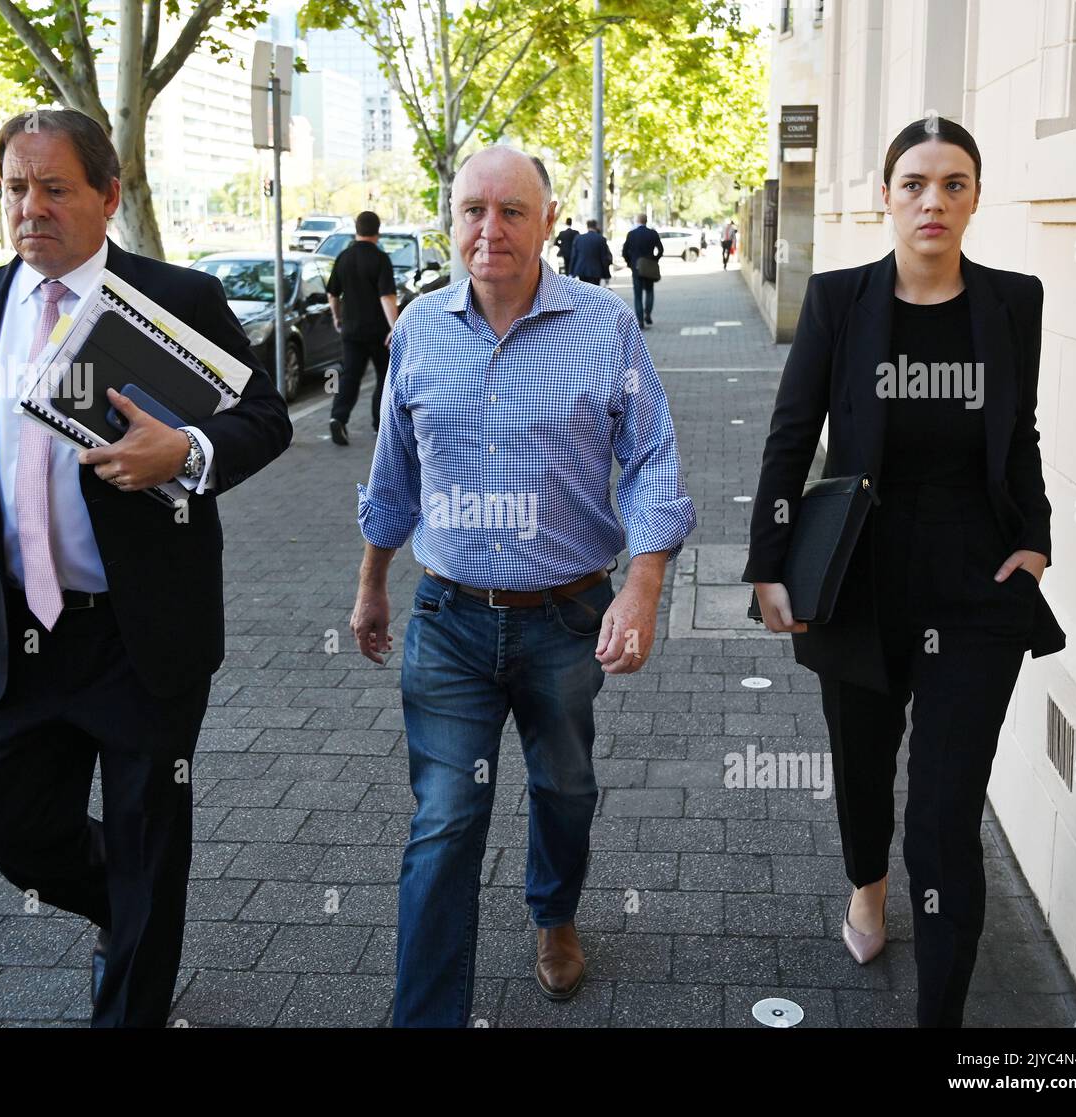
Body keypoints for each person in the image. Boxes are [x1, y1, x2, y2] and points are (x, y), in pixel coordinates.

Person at [0, 109, 292, 1027]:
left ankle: (134, 968)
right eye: (16, 187)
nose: (32, 207)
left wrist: (183, 452)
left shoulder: (177, 297)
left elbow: (265, 419)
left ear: (108, 196)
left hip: (141, 637)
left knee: (148, 842)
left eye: (56, 187)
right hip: (12, 635)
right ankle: (123, 911)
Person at [349, 145, 695, 1028]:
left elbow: (651, 454)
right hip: (450, 619)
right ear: (450, 219)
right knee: (444, 822)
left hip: (568, 616)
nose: (489, 229)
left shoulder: (603, 325)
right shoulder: (419, 328)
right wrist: (373, 584)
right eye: (473, 210)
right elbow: (395, 474)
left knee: (565, 788)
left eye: (511, 210)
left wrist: (645, 581)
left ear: (549, 220)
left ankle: (554, 910)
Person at [742, 116, 1066, 1028]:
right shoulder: (842, 300)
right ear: (886, 195)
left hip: (977, 585)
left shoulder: (1013, 301)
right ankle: (866, 886)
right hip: (860, 575)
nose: (934, 200)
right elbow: (790, 433)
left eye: (954, 183)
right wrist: (770, 561)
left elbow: (1022, 434)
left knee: (946, 812)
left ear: (974, 198)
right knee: (861, 766)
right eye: (915, 182)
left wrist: (1036, 539)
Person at [326, 210, 399, 445]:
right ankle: (380, 425)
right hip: (379, 333)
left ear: (356, 230)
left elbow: (332, 293)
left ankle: (338, 417)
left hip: (351, 330)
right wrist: (394, 327)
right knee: (383, 378)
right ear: (378, 231)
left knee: (349, 377)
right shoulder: (380, 259)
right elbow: (386, 296)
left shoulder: (343, 257)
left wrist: (337, 318)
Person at [622, 213, 664, 329]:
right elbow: (660, 250)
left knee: (638, 295)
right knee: (649, 291)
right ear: (646, 221)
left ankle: (640, 321)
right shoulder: (652, 233)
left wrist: (629, 264)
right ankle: (648, 313)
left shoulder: (631, 234)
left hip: (636, 268)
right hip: (649, 267)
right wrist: (654, 260)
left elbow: (624, 251)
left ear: (637, 220)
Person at [568, 218, 612, 284]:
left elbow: (574, 256)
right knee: (595, 292)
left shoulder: (578, 238)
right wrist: (607, 275)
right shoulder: (601, 239)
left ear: (587, 226)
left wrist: (571, 272)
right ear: (596, 226)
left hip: (581, 270)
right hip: (596, 271)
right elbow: (604, 258)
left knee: (583, 290)